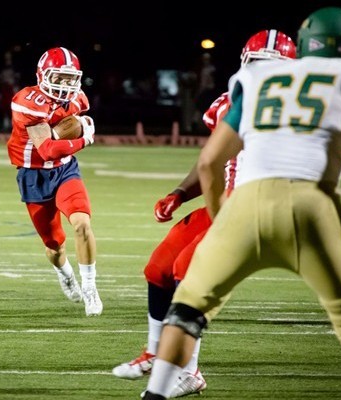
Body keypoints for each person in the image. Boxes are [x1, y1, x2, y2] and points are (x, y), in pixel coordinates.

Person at [142, 7, 341, 399]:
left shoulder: (252, 80)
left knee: (188, 308)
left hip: (247, 206)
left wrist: (222, 223)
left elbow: (210, 161)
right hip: (314, 210)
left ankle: (156, 393)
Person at [114, 30, 297, 397]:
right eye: (257, 66)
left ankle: (189, 371)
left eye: (271, 68)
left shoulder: (296, 116)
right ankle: (154, 349)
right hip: (222, 204)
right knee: (159, 268)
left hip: (254, 211)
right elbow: (212, 162)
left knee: (188, 270)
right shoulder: (229, 104)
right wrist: (180, 193)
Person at [6, 47, 102, 316]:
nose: (65, 85)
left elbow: (74, 119)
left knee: (82, 224)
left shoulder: (78, 99)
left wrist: (78, 124)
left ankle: (90, 288)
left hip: (65, 170)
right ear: (42, 75)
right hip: (33, 174)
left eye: (70, 79)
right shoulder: (28, 102)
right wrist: (84, 138)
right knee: (54, 246)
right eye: (59, 78)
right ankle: (65, 272)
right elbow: (46, 149)